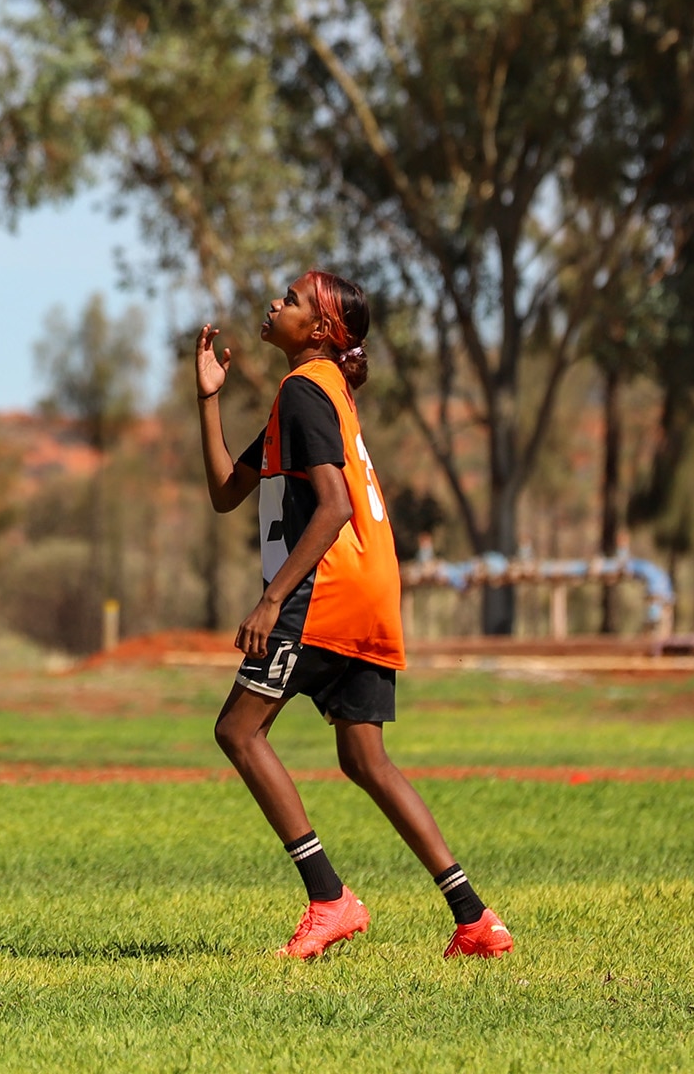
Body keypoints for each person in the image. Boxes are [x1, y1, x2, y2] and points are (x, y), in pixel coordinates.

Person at [194, 271, 513, 960]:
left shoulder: (303, 391)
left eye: (296, 299)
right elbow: (226, 491)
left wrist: (273, 596)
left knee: (239, 731)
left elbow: (334, 506)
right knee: (364, 757)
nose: (277, 300)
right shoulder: (317, 395)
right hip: (372, 590)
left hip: (324, 592)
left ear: (317, 332)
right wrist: (207, 399)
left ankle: (330, 898)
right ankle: (474, 917)